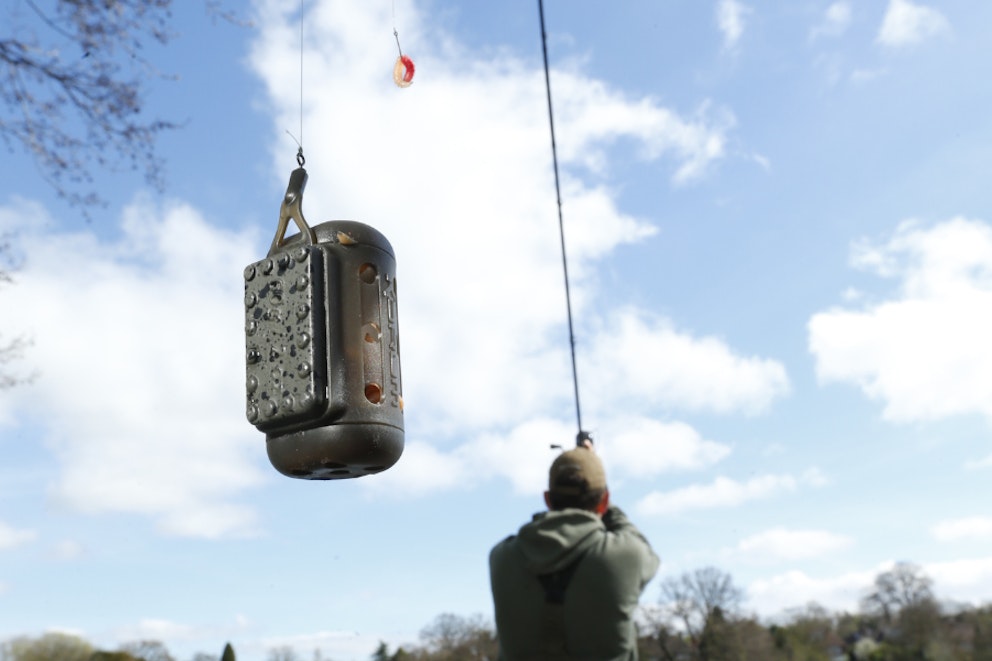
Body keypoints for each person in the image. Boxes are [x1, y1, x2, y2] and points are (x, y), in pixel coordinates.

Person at [489, 443, 660, 660]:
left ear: (547, 499)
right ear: (604, 501)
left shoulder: (501, 558)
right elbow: (635, 540)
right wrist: (591, 465)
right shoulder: (627, 555)